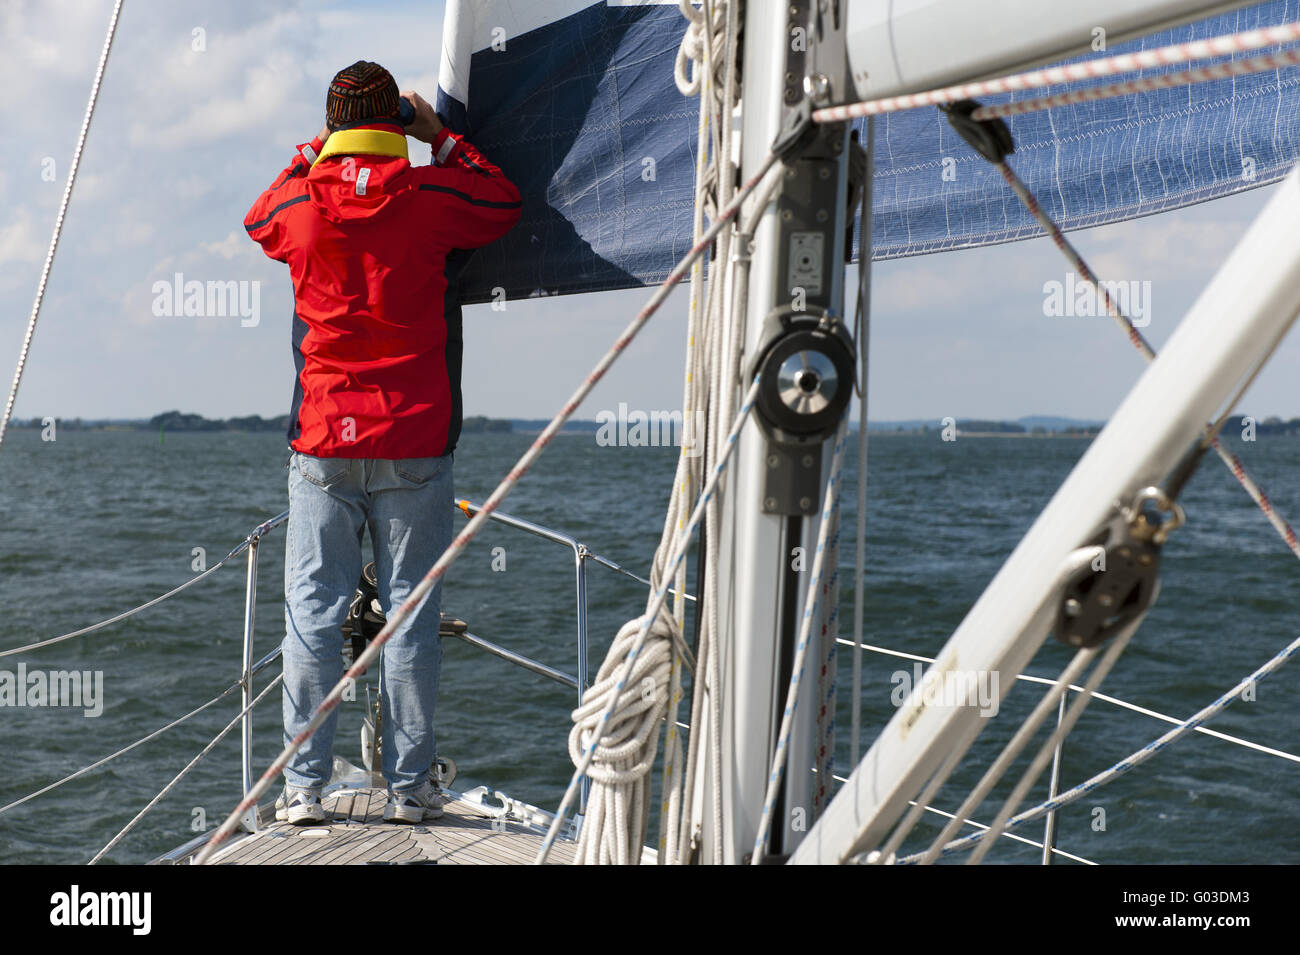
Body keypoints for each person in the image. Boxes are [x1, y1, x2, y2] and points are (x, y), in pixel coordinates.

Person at [244, 60, 521, 824]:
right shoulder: (432, 195)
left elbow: (257, 216)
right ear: (394, 122)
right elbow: (503, 199)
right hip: (414, 438)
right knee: (410, 615)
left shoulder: (299, 203)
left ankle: (303, 790)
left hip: (325, 438)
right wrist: (441, 136)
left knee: (312, 613)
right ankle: (407, 790)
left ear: (335, 124)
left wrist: (316, 151)